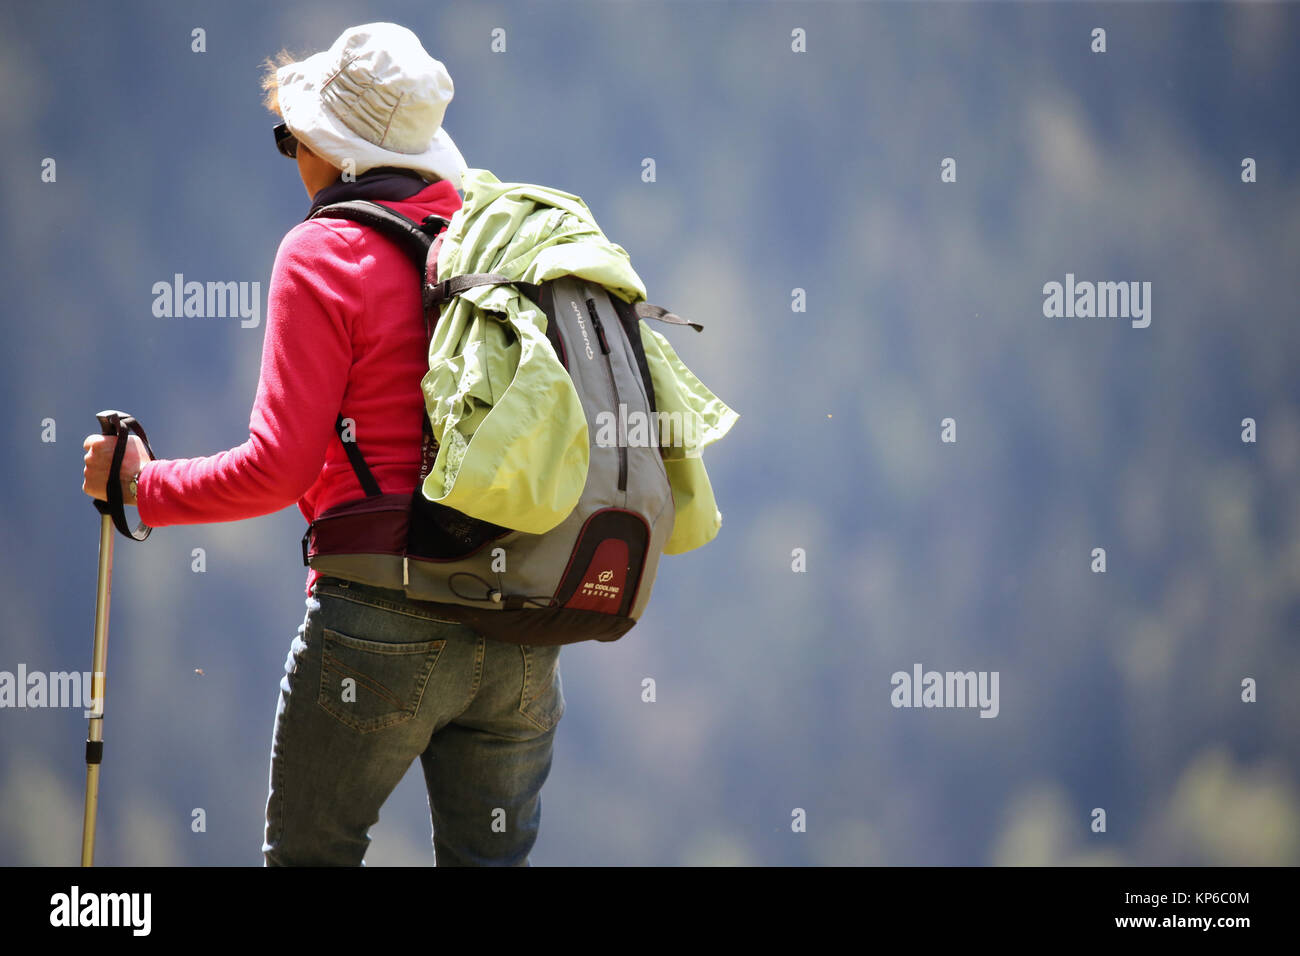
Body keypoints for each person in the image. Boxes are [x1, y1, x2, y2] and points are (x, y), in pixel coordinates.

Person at [81, 22, 565, 867]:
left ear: (338, 155)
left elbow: (279, 468)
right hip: (522, 620)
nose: (294, 158)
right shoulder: (493, 243)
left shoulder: (322, 252)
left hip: (379, 616)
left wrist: (141, 487)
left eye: (294, 140)